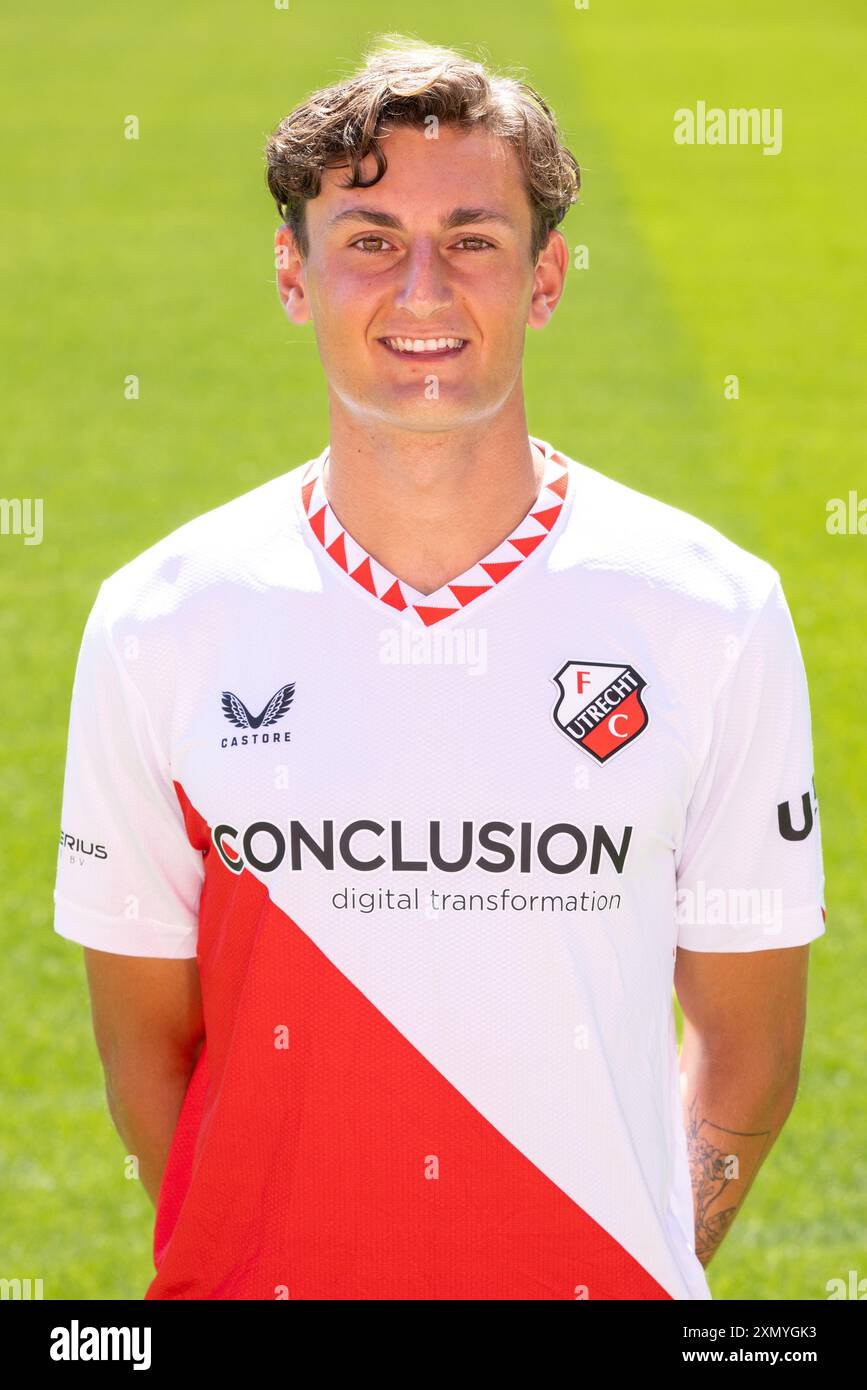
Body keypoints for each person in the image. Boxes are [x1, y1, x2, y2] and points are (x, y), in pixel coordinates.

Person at [53, 36, 826, 1301]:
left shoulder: (713, 612)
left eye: (471, 237)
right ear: (293, 276)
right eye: (368, 238)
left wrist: (632, 1250)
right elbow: (147, 1054)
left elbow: (750, 1052)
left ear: (547, 277)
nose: (422, 287)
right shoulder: (158, 620)